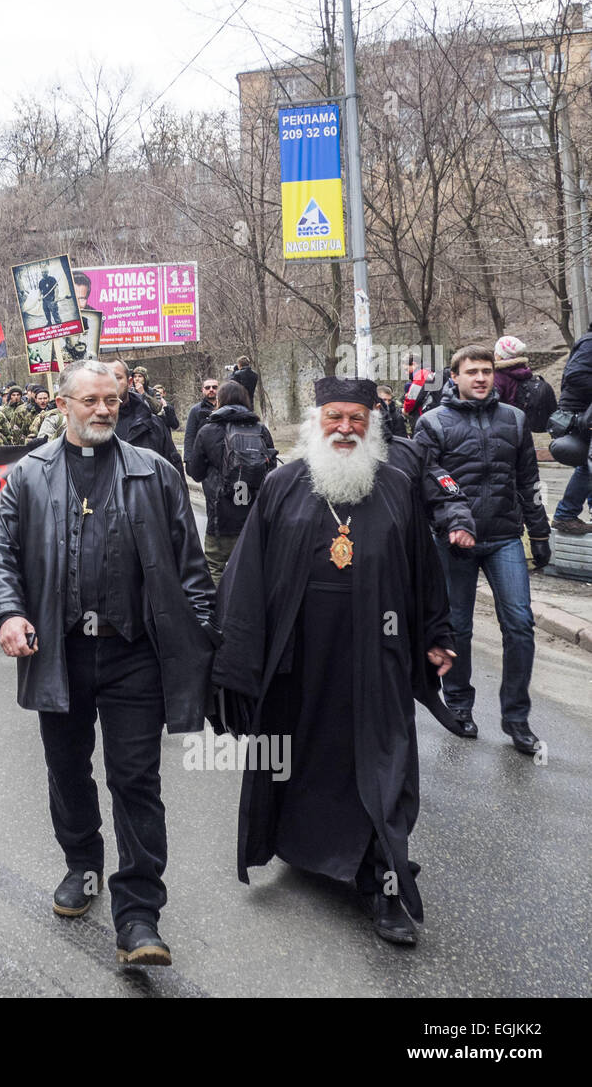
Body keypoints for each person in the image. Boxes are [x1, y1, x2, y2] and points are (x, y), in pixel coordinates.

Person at [0, 359, 218, 966]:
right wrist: (8, 614)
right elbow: (1, 555)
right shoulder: (29, 475)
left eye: (111, 399)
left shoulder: (153, 472)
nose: (104, 409)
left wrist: (201, 641)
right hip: (58, 651)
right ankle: (82, 865)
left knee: (136, 778)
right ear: (63, 405)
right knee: (67, 770)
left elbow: (191, 568)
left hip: (133, 652)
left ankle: (139, 914)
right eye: (90, 400)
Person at [213, 377, 458, 947]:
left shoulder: (395, 486)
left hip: (378, 652)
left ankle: (385, 881)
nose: (345, 428)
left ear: (372, 425)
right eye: (334, 418)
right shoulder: (282, 484)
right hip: (299, 656)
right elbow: (247, 574)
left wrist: (436, 633)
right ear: (316, 421)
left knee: (383, 762)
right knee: (302, 757)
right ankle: (308, 847)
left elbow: (423, 569)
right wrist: (234, 655)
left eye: (356, 419)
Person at [414, 345, 549, 755]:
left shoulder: (515, 419)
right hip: (452, 541)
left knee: (520, 625)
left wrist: (539, 532)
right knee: (457, 627)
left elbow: (528, 479)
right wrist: (447, 527)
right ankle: (459, 704)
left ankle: (517, 717)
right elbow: (425, 484)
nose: (480, 378)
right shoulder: (432, 423)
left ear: (494, 374)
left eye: (486, 371)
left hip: (505, 537)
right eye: (471, 371)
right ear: (454, 377)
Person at [186, 380, 277, 583]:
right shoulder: (260, 430)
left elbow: (195, 472)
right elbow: (272, 472)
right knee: (252, 569)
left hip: (220, 518)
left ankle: (220, 603)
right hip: (253, 517)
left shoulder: (208, 431)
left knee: (214, 566)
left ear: (220, 401)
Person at [103, 358, 183, 473]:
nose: (111, 383)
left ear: (129, 382)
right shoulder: (90, 425)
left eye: (117, 377)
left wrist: (143, 394)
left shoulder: (153, 424)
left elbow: (172, 470)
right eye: (105, 378)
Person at [551, 324, 592, 534]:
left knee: (587, 465)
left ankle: (566, 514)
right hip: (580, 415)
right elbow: (575, 375)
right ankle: (565, 514)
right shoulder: (589, 343)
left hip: (585, 414)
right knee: (588, 464)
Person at [185, 376, 220, 463]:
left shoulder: (225, 408)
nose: (211, 390)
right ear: (203, 390)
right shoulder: (195, 410)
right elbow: (190, 435)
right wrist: (188, 459)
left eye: (214, 387)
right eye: (207, 387)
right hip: (202, 456)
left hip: (221, 455)